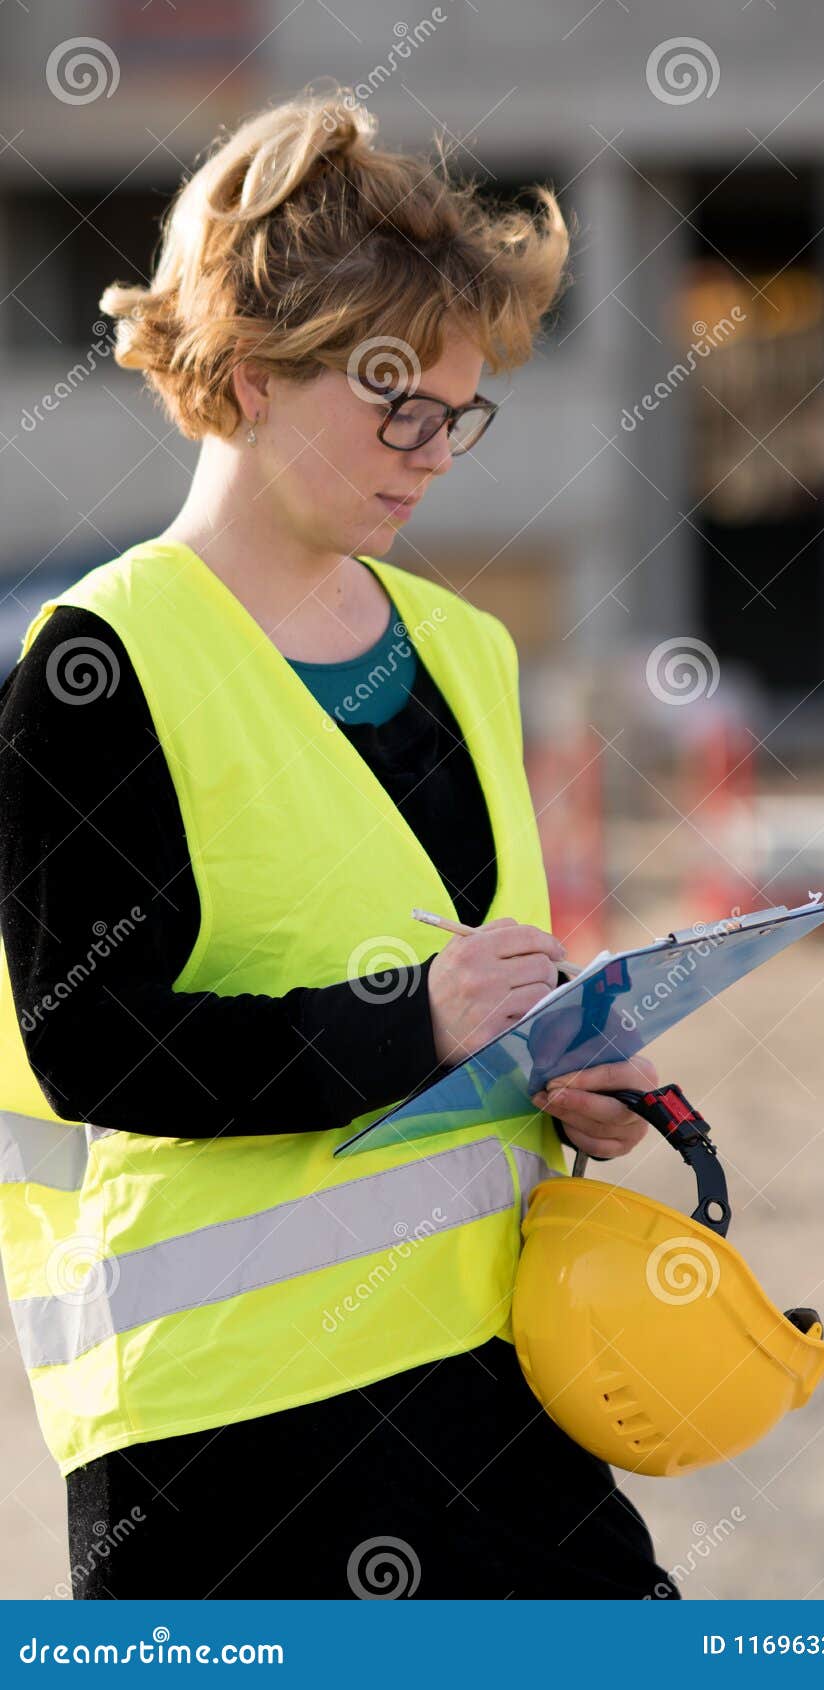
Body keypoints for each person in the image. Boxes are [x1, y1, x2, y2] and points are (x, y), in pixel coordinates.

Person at [0, 86, 679, 1601]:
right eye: (396, 404)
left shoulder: (462, 650)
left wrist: (565, 1070)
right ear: (249, 378)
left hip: (490, 1373)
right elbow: (90, 1044)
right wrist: (411, 1021)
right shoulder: (98, 666)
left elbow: (463, 977)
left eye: (460, 408)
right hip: (223, 1437)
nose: (437, 450)